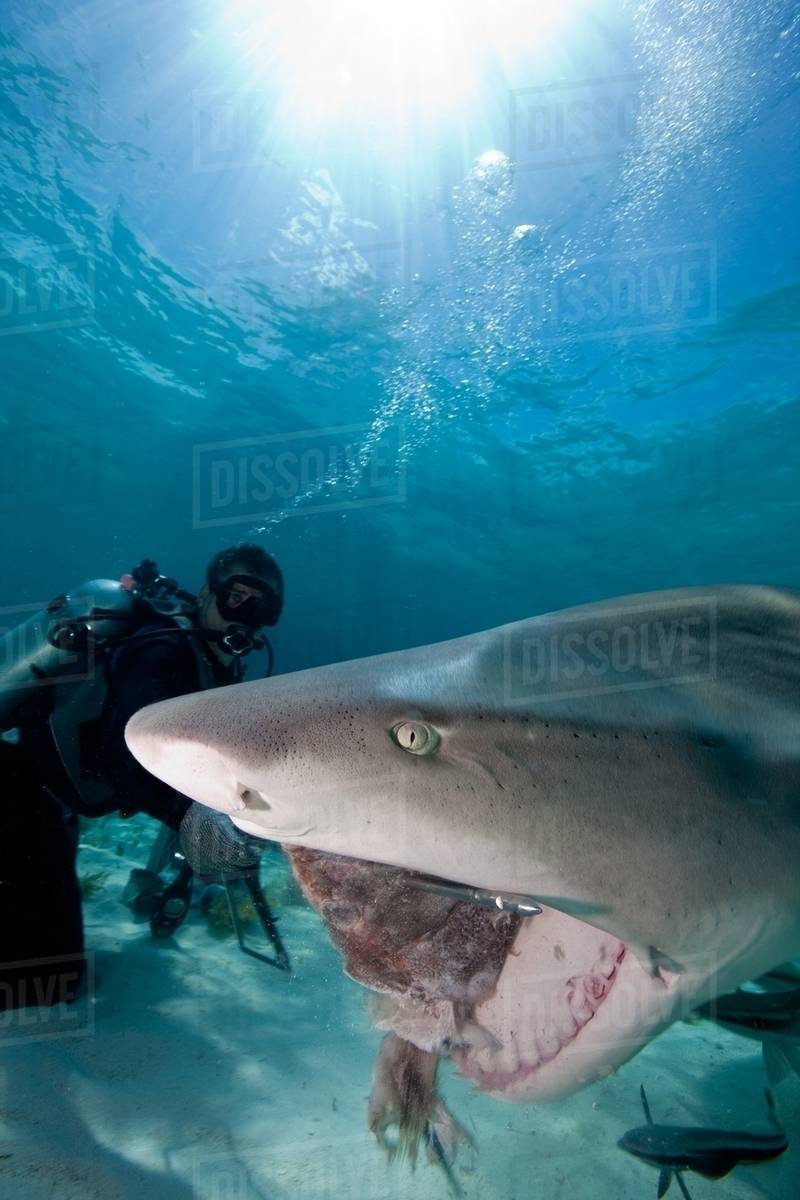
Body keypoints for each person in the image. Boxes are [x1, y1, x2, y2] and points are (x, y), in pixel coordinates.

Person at [0, 544, 284, 1012]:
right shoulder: (163, 648)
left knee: (45, 940)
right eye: (238, 597)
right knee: (44, 980)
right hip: (18, 785)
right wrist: (189, 818)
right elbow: (122, 754)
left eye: (263, 606)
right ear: (207, 594)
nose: (248, 614)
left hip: (55, 797)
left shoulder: (215, 665)